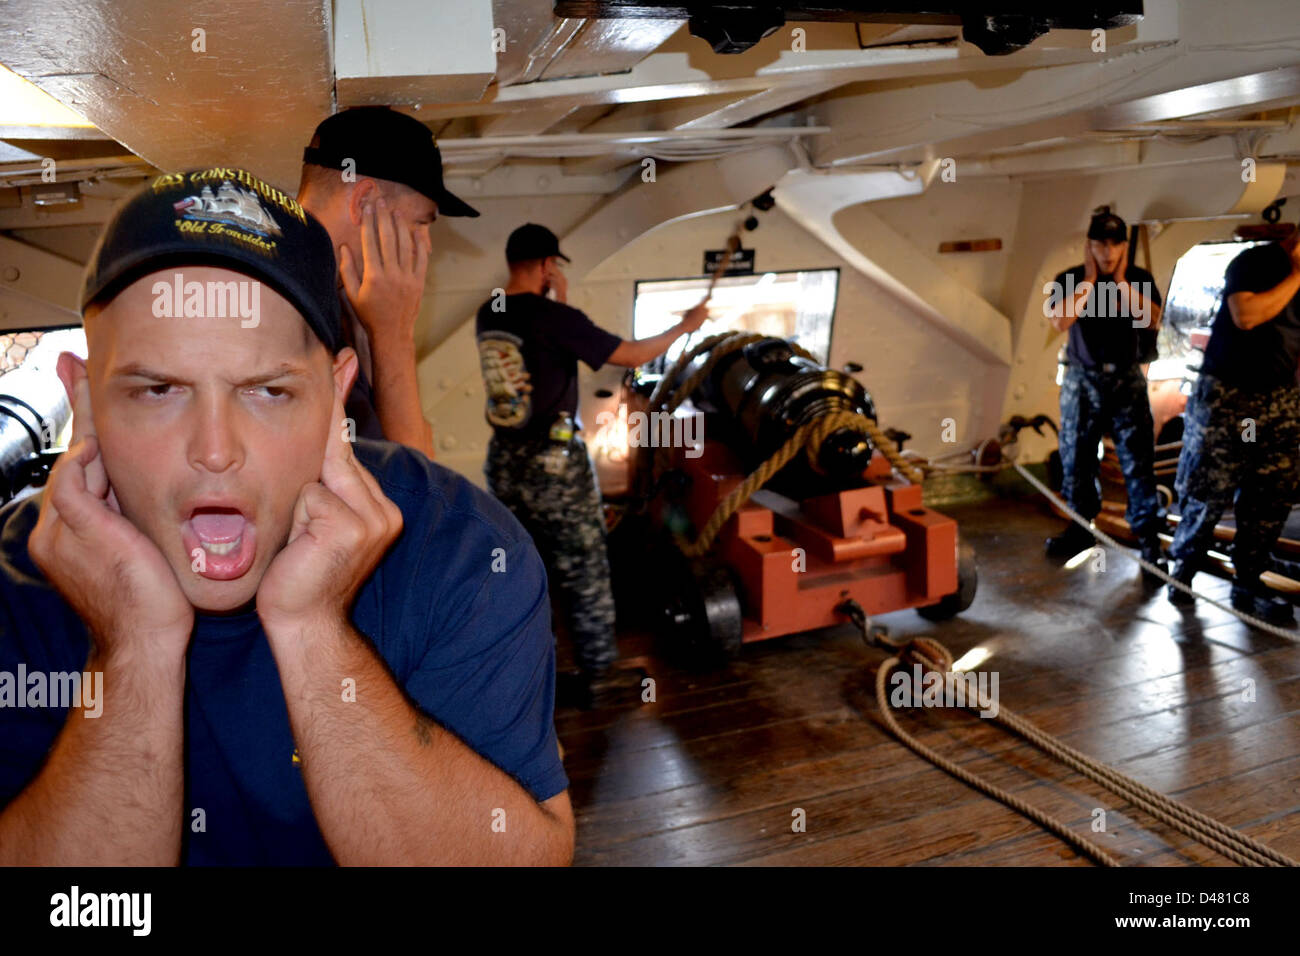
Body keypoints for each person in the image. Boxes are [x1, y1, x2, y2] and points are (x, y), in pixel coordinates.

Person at [0, 168, 573, 865]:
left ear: (336, 395)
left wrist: (313, 630)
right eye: (157, 390)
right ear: (84, 395)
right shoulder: (16, 590)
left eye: (268, 391)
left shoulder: (462, 552)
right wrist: (134, 651)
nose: (214, 451)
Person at [475, 223, 708, 705]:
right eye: (554, 266)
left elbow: (536, 347)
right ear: (546, 266)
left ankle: (530, 674)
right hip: (553, 464)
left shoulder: (490, 311)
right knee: (584, 568)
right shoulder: (556, 318)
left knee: (523, 567)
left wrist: (556, 304)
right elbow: (633, 355)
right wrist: (686, 326)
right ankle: (599, 675)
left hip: (504, 460)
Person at [298, 107, 481, 458]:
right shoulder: (288, 307)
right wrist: (394, 337)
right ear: (365, 202)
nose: (425, 245)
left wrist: (371, 332)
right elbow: (418, 496)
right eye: (421, 223)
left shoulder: (327, 295)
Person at [1166, 225, 1300, 624]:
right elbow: (1246, 316)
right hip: (1229, 399)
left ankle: (1249, 581)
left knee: (1270, 494)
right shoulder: (1255, 262)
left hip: (1278, 399)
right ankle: (1183, 570)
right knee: (1210, 490)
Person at [1045, 207, 1165, 577]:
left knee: (1137, 465)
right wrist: (1091, 281)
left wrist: (1123, 281)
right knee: (1077, 460)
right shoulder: (1070, 279)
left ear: (1124, 247)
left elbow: (1152, 319)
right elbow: (1059, 319)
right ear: (1089, 245)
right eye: (1101, 244)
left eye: (1115, 245)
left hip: (1126, 380)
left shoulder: (1139, 279)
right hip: (1084, 380)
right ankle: (1081, 531)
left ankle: (1149, 545)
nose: (1108, 252)